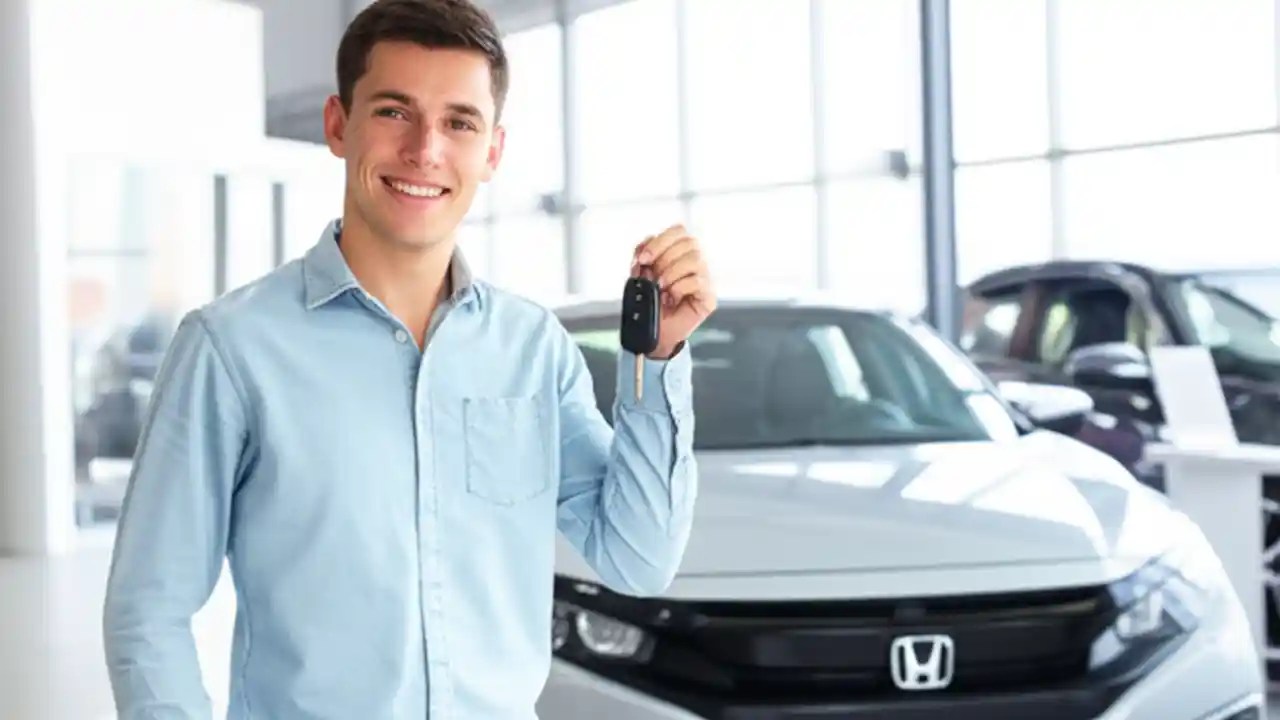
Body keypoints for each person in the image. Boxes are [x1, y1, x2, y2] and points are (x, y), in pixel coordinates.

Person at [101, 0, 715, 717]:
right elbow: (149, 610)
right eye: (394, 111)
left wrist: (662, 356)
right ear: (338, 125)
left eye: (459, 121)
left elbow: (638, 557)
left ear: (492, 151)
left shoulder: (532, 348)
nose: (426, 149)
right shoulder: (231, 349)